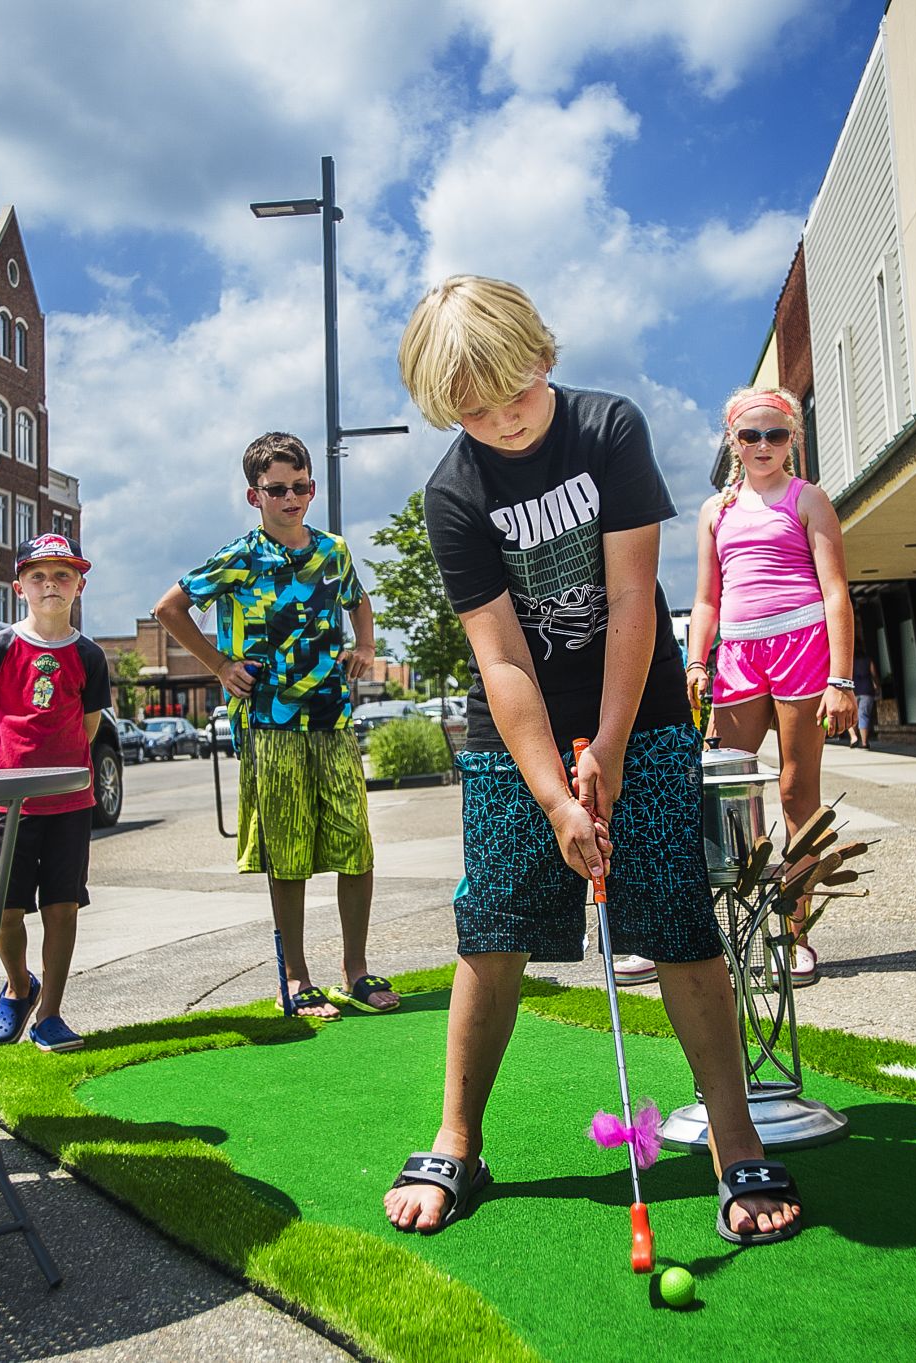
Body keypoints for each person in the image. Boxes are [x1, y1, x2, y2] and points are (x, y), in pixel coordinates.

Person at [385, 274, 800, 1246]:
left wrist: (607, 751)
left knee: (674, 914)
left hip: (641, 707)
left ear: (544, 355)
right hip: (515, 731)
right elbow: (498, 656)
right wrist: (553, 795)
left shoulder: (608, 429)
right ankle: (456, 1137)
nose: (503, 422)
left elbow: (628, 600)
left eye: (514, 395)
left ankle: (733, 1142)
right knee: (490, 923)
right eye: (473, 413)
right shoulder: (452, 492)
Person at [155, 433, 397, 1019]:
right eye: (278, 489)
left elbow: (358, 600)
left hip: (331, 717)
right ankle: (296, 978)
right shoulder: (239, 556)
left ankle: (356, 971)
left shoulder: (334, 551)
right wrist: (219, 665)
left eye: (302, 487)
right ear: (253, 495)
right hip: (268, 722)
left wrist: (365, 644)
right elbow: (169, 608)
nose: (292, 498)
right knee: (287, 849)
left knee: (354, 844)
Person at [683, 386, 857, 989]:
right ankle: (732, 930)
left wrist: (841, 678)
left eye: (775, 435)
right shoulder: (716, 511)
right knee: (725, 792)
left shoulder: (809, 500)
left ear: (793, 441)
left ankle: (795, 935)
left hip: (803, 648)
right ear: (733, 441)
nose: (763, 446)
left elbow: (836, 591)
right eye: (750, 435)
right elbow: (707, 599)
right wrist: (695, 663)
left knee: (795, 792)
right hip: (736, 652)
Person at [0, 532, 111, 1052]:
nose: (51, 585)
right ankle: (19, 987)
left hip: (69, 803)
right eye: (38, 576)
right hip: (11, 805)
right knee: (6, 910)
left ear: (79, 586)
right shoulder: (0, 647)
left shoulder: (88, 655)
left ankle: (50, 1013)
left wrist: (61, 770)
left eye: (63, 576)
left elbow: (86, 727)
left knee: (62, 906)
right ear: (19, 585)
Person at [851, 647, 879, 749]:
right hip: (867, 690)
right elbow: (874, 674)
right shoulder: (868, 660)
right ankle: (864, 742)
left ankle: (853, 737)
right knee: (864, 715)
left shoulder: (850, 661)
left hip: (853, 690)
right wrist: (877, 685)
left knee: (851, 716)